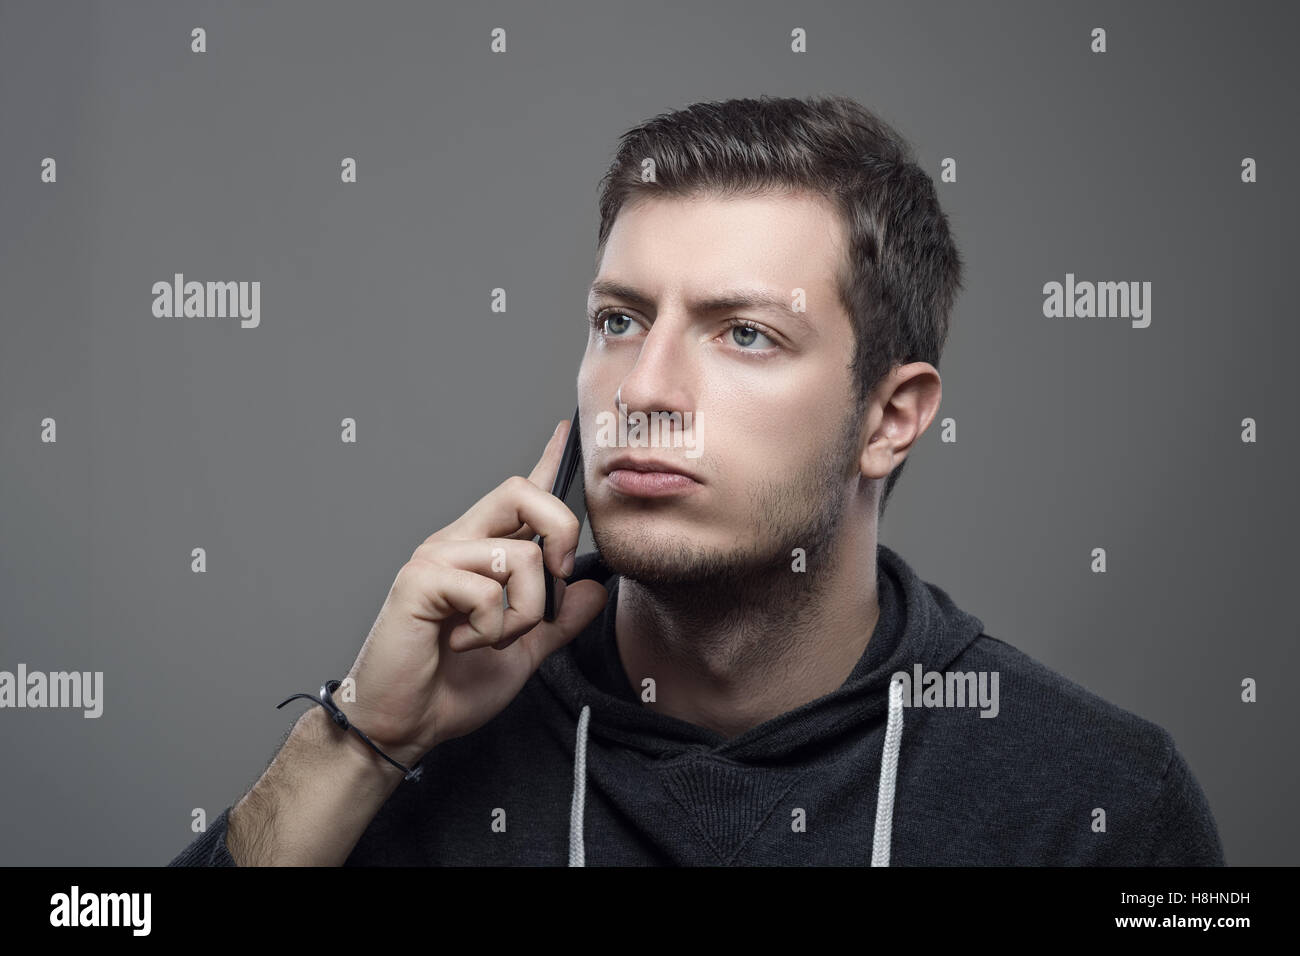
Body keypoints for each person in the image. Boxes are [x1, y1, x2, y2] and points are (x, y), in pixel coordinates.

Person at [169, 95, 1223, 867]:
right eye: (619, 320)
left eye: (745, 333)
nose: (644, 388)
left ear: (888, 417)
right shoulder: (429, 738)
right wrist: (362, 740)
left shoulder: (1095, 799)